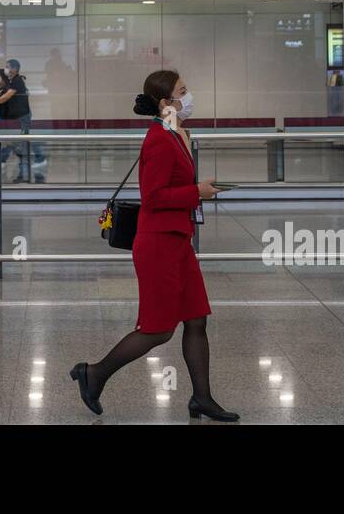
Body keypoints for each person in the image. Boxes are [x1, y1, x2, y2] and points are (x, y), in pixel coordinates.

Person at [70, 69, 238, 422]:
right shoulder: (158, 139)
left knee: (196, 319)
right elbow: (154, 197)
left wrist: (197, 186)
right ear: (166, 103)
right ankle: (94, 373)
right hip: (159, 243)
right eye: (183, 91)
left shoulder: (178, 133)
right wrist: (198, 192)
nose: (189, 96)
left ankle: (202, 398)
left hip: (178, 240)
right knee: (158, 329)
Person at [0, 58, 45, 182]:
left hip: (23, 116)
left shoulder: (17, 80)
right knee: (22, 140)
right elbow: (2, 93)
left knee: (23, 141)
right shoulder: (12, 81)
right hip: (18, 116)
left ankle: (35, 163)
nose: (6, 69)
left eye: (7, 67)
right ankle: (36, 160)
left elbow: (7, 95)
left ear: (14, 69)